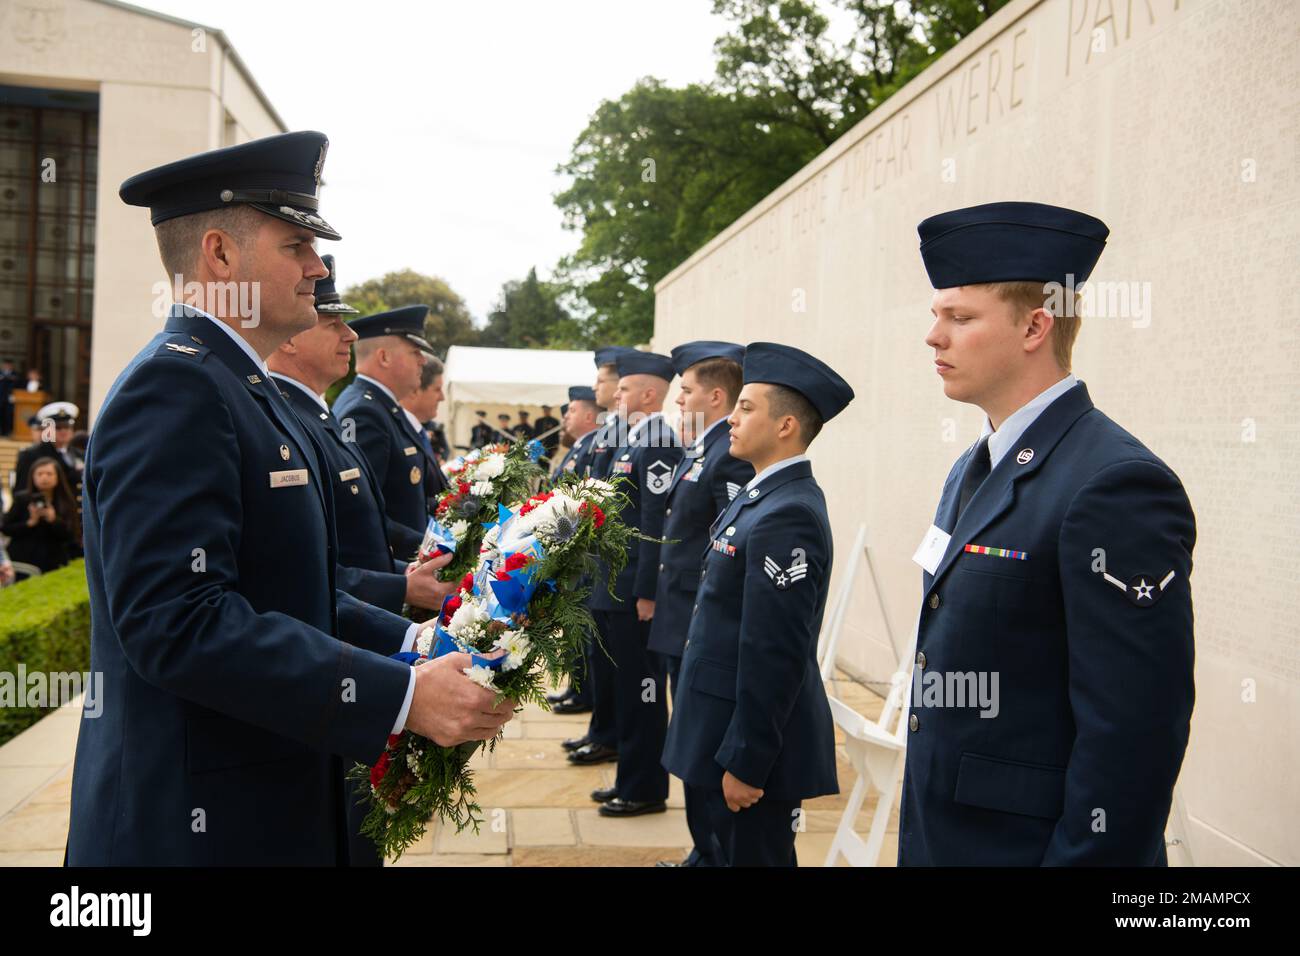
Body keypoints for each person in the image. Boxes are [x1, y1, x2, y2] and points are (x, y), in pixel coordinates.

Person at [66, 131, 514, 866]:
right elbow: (178, 624)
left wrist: (414, 646)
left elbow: (285, 590)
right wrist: (399, 700)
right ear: (220, 255)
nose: (318, 268)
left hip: (265, 795)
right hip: (196, 823)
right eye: (297, 245)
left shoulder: (241, 389)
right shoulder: (176, 388)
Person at [900, 201, 1196, 866]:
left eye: (960, 317)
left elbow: (1133, 735)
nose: (934, 337)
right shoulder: (975, 466)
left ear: (1035, 326)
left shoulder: (1114, 485)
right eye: (936, 317)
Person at [662, 342, 851, 866]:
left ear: (786, 425)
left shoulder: (787, 514)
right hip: (719, 719)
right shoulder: (759, 497)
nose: (733, 420)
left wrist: (748, 761)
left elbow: (775, 650)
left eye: (746, 408)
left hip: (745, 741)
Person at [649, 341, 754, 866]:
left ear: (717, 396)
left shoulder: (728, 455)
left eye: (686, 391)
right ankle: (702, 851)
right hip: (679, 615)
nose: (679, 401)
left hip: (696, 617)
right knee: (689, 743)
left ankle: (714, 853)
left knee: (703, 744)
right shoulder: (703, 449)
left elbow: (729, 545)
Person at [583, 349, 683, 819]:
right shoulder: (632, 438)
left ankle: (644, 787)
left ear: (648, 393)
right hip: (612, 583)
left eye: (624, 388)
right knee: (626, 689)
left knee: (642, 691)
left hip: (632, 591)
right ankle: (630, 776)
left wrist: (647, 591)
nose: (615, 395)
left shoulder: (659, 440)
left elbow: (654, 522)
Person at [560, 346, 633, 741]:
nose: (598, 387)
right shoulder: (611, 432)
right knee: (595, 649)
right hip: (589, 557)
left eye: (603, 380)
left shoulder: (632, 433)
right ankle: (600, 729)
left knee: (610, 659)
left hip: (603, 561)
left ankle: (606, 734)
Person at [333, 306, 444, 542]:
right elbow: (359, 511)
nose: (423, 361)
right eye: (415, 352)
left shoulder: (381, 407)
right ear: (384, 357)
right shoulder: (364, 413)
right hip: (391, 568)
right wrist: (432, 546)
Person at [2, 456, 81, 574]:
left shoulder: (66, 501)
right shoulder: (22, 499)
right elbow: (5, 528)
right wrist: (29, 523)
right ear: (32, 477)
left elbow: (73, 534)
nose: (44, 478)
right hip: (24, 560)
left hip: (54, 561)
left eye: (49, 474)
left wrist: (54, 520)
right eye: (39, 474)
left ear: (58, 477)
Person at [399, 359, 450, 517]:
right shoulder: (398, 431)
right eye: (437, 389)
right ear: (416, 389)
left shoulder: (418, 430)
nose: (442, 397)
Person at [13, 401, 83, 496]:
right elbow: (20, 491)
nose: (63, 431)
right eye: (58, 428)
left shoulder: (80, 455)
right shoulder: (30, 455)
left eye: (67, 427)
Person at [0, 358, 16, 436]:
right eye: (6, 365)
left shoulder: (15, 374)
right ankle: (2, 432)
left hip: (10, 398)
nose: (7, 366)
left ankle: (8, 432)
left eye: (9, 365)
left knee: (9, 415)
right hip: (1, 398)